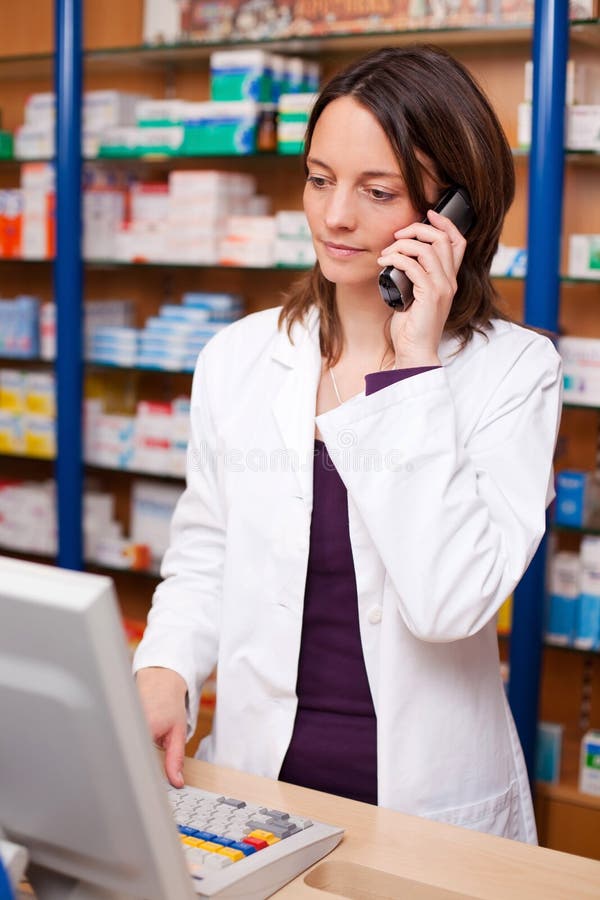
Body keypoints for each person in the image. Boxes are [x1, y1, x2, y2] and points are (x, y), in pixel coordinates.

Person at [133, 44, 562, 843]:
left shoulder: (515, 374)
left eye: (378, 190)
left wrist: (412, 368)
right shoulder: (239, 357)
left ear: (454, 211)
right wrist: (162, 672)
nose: (334, 217)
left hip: (429, 814)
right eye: (320, 177)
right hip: (256, 787)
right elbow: (205, 557)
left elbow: (449, 602)